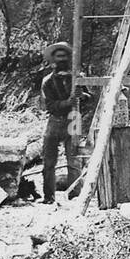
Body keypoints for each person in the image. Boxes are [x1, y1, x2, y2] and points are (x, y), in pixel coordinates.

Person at [39, 41, 82, 205]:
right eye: (59, 57)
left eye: (64, 56)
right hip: (55, 122)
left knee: (74, 160)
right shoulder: (48, 81)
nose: (62, 59)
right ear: (53, 60)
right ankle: (48, 197)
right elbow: (50, 106)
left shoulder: (77, 78)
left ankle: (75, 195)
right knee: (49, 162)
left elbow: (90, 97)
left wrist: (81, 96)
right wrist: (68, 102)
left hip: (74, 120)